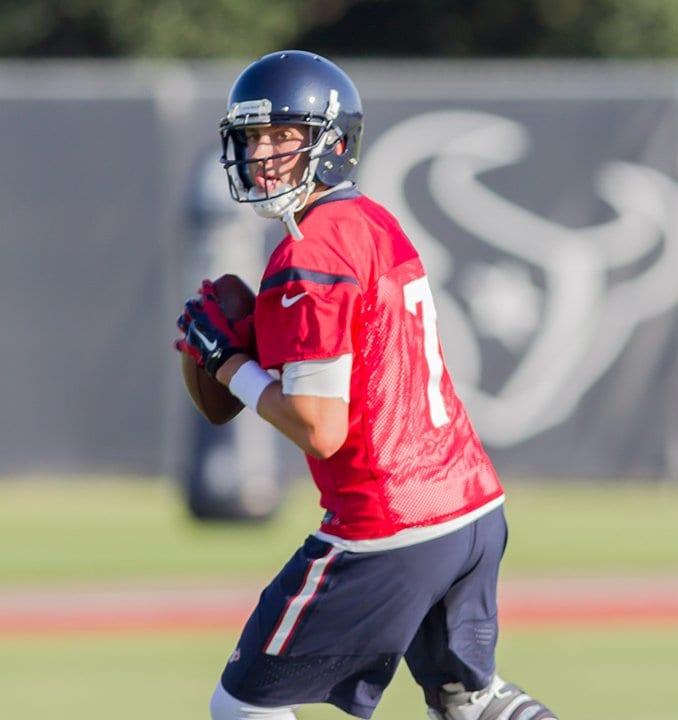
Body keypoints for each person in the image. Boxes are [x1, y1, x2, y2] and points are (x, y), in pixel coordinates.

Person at [174, 50, 558, 720]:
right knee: (472, 705)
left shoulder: (311, 250)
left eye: (281, 136)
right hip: (469, 508)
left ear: (333, 144)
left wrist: (228, 365)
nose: (261, 154)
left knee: (243, 708)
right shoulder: (371, 222)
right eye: (253, 137)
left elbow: (321, 429)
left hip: (389, 524)